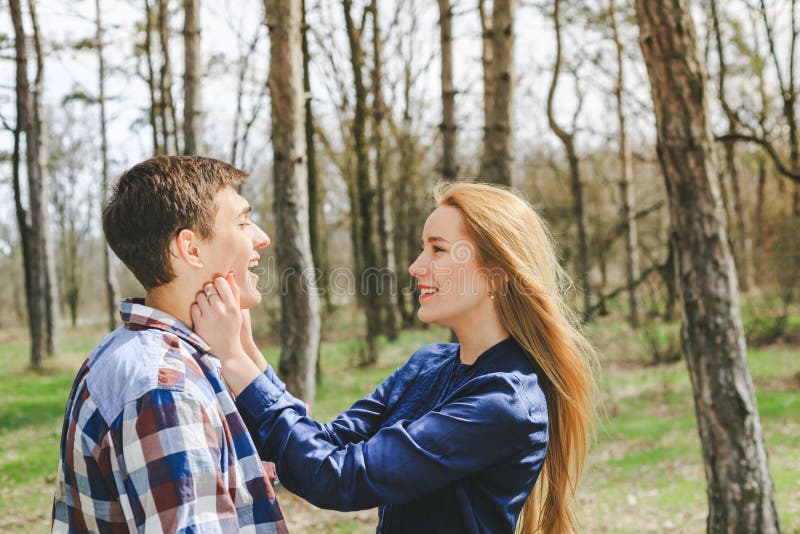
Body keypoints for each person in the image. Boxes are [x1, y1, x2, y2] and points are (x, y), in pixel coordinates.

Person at [193, 182, 596, 534]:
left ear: (496, 273)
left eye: (438, 250)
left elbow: (338, 478)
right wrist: (248, 350)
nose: (416, 267)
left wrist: (233, 360)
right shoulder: (427, 364)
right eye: (423, 248)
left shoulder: (504, 404)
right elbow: (329, 442)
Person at [52, 156, 288, 533]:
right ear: (190, 249)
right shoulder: (167, 390)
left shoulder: (157, 357)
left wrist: (243, 351)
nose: (261, 237)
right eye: (243, 221)